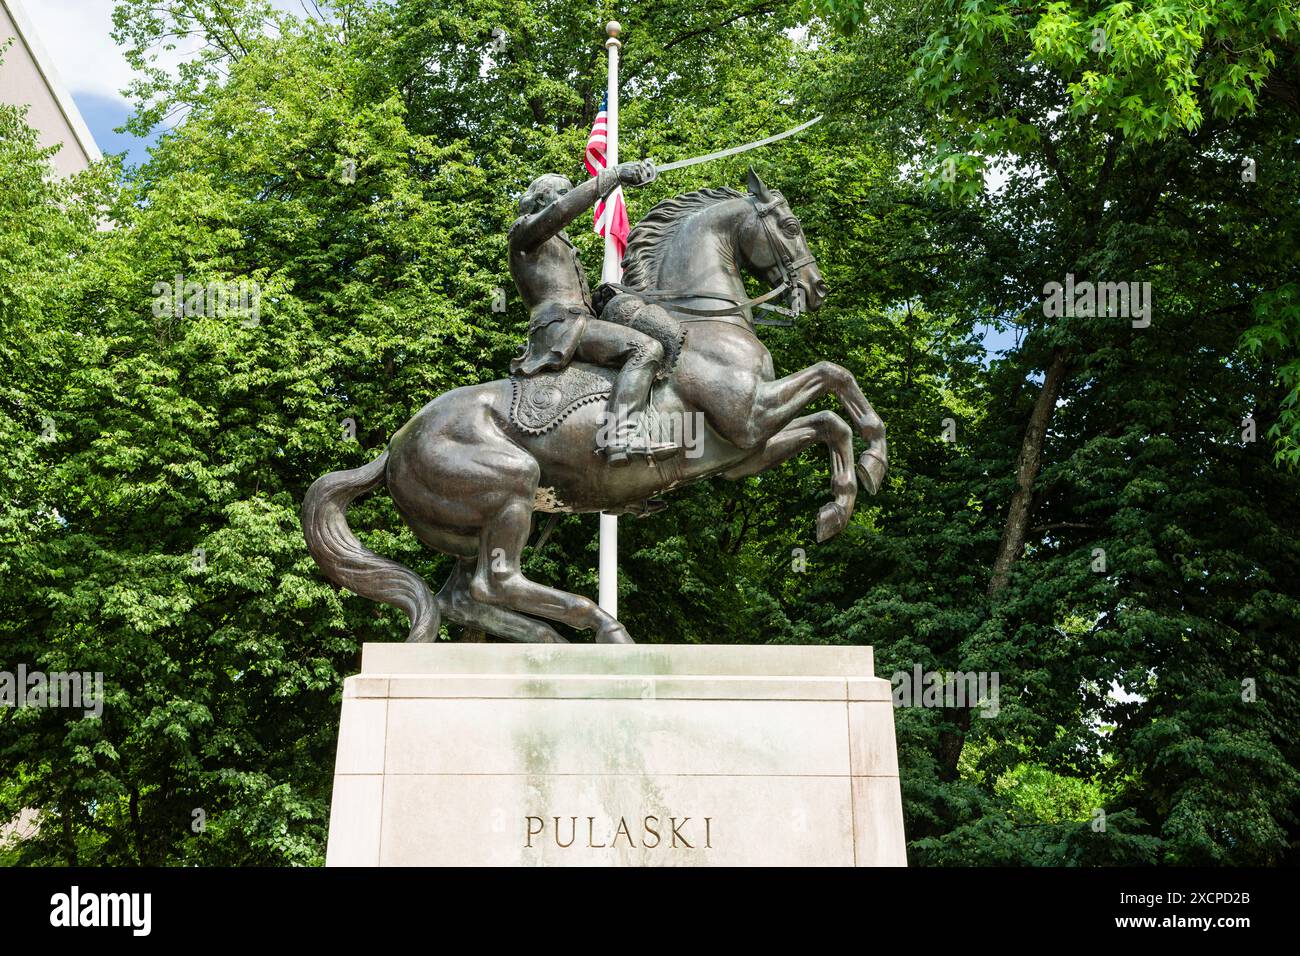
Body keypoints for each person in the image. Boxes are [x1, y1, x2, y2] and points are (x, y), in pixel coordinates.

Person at [508, 161, 678, 466]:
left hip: (580, 322)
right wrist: (613, 176)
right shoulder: (523, 232)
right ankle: (620, 438)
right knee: (646, 349)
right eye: (560, 193)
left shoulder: (560, 242)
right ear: (539, 201)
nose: (567, 197)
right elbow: (561, 210)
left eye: (567, 192)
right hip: (560, 327)